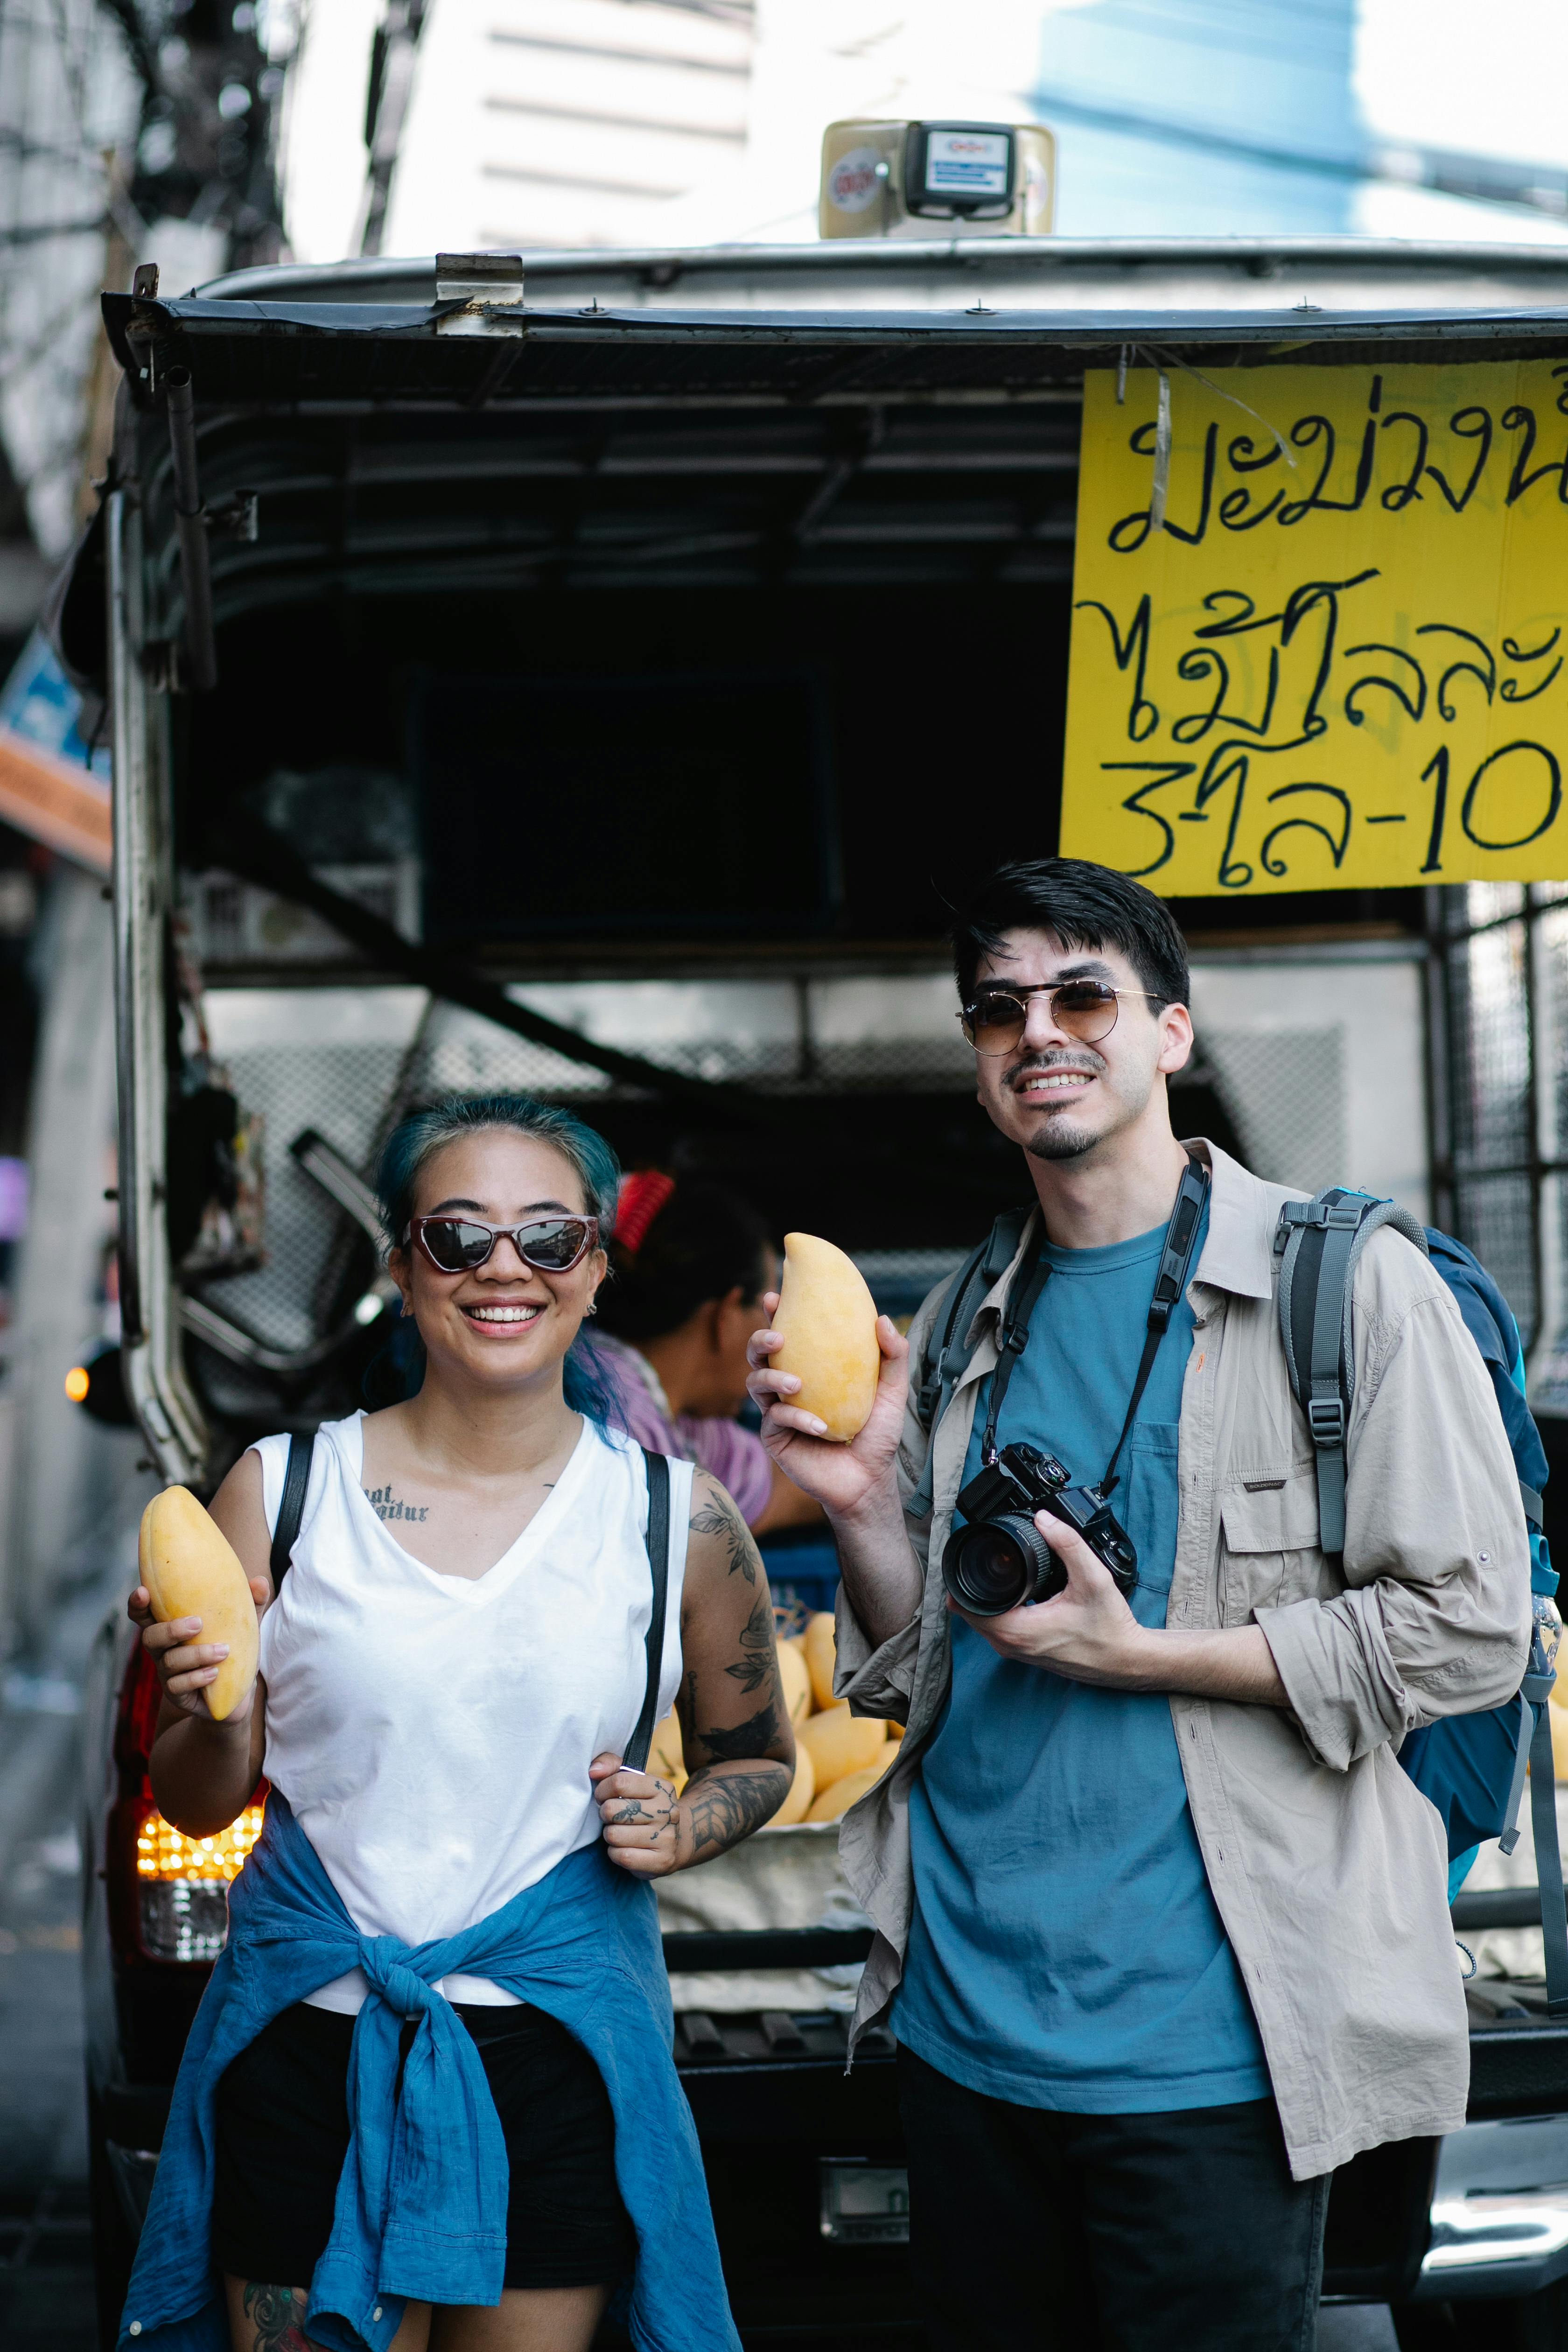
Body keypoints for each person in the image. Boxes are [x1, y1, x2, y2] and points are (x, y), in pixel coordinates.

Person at [748, 858, 1531, 2352]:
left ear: (1169, 1030)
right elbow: (929, 1664)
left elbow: (1472, 1629)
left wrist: (1143, 1654)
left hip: (1212, 2048)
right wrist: (856, 1505)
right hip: (969, 2031)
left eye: (1081, 995)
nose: (1037, 1030)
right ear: (979, 1065)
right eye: (999, 1010)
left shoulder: (1349, 1286)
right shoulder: (968, 1308)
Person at [121, 1092, 792, 2352]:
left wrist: (688, 1820)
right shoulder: (281, 1491)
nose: (504, 1268)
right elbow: (201, 1798)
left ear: (595, 1267)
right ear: (402, 1264)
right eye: (457, 1237)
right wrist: (207, 1693)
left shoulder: (678, 1520)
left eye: (547, 1238)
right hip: (307, 2050)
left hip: (555, 2066)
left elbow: (756, 1756)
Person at [596, 1168, 822, 1535]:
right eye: (768, 1306)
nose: (779, 1330)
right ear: (728, 1315)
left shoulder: (678, 1416)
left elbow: (798, 1486)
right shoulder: (615, 1421)